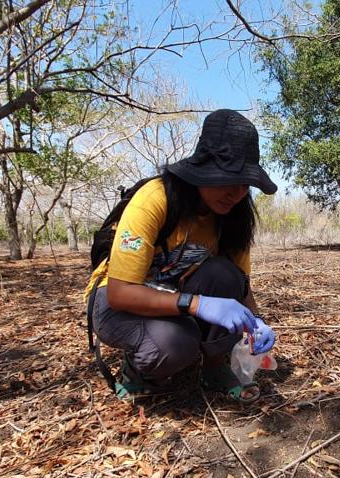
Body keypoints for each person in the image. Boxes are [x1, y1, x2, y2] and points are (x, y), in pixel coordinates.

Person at [85, 109, 278, 403]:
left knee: (225, 275)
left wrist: (258, 321)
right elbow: (120, 293)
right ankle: (138, 370)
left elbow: (240, 283)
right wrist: (197, 304)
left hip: (171, 294)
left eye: (245, 184)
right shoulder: (156, 199)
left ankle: (214, 368)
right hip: (117, 301)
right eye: (228, 180)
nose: (237, 193)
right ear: (203, 169)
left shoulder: (233, 217)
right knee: (174, 344)